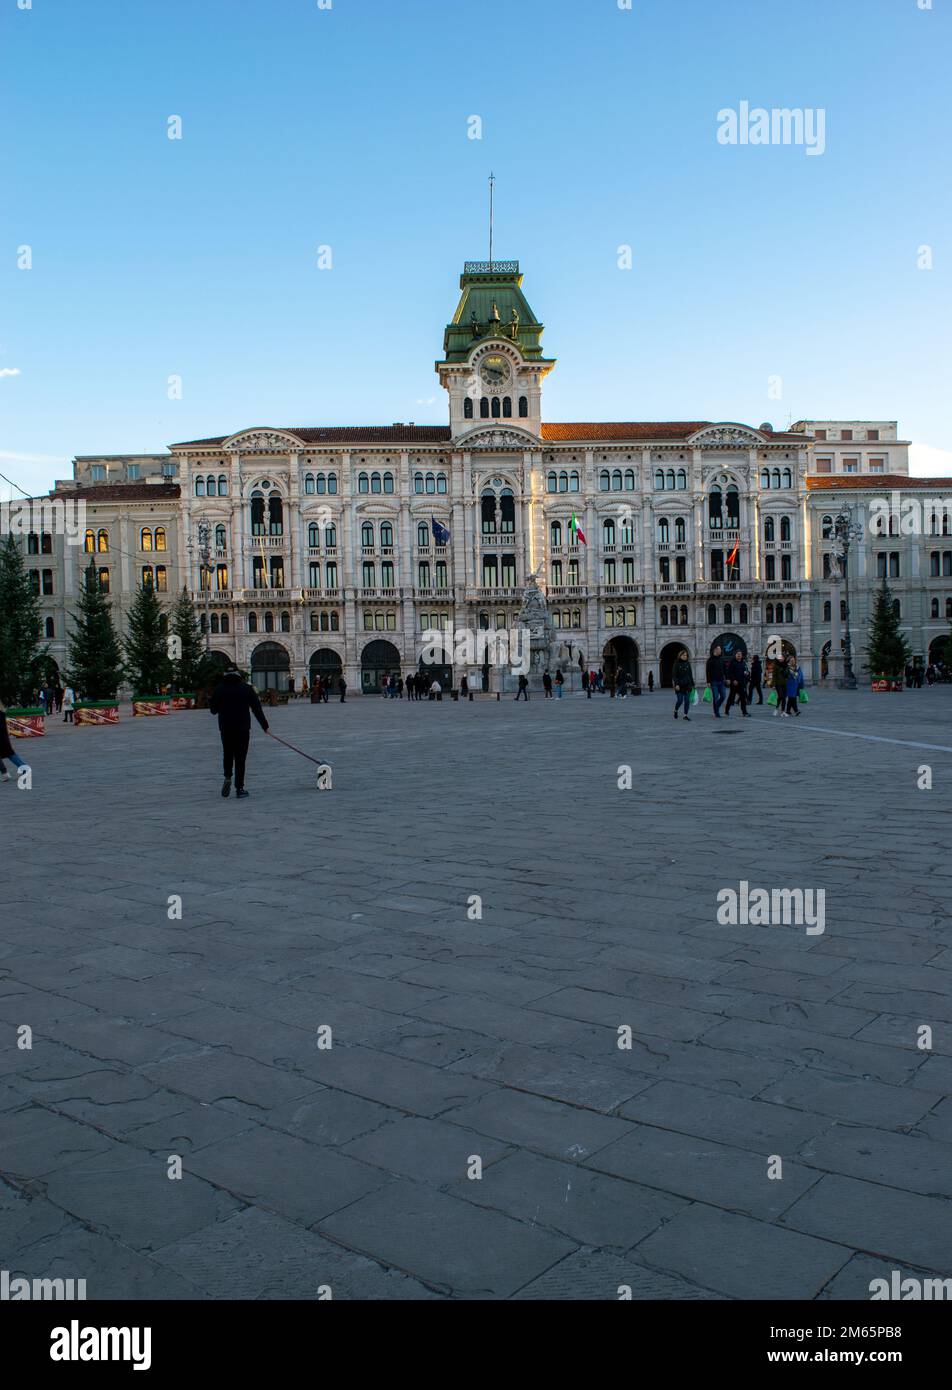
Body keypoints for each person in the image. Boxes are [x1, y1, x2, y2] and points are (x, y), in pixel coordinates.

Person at [209, 667, 269, 799]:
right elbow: (256, 709)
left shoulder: (219, 689)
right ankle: (239, 788)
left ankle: (228, 776)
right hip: (242, 728)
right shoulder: (246, 688)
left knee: (228, 753)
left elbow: (213, 710)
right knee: (241, 758)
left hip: (225, 727)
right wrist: (265, 725)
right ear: (238, 674)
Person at [0, 702, 32, 783]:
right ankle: (23, 769)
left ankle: (5, 773)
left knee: (10, 753)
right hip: (3, 736)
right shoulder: (1, 711)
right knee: (10, 753)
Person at [724, 650, 749, 718]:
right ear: (735, 655)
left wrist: (747, 673)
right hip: (734, 684)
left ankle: (744, 712)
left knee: (743, 698)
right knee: (731, 697)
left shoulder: (743, 663)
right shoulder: (732, 662)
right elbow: (730, 672)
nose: (739, 655)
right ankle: (726, 710)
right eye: (738, 654)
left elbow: (746, 671)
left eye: (740, 654)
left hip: (741, 683)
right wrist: (733, 680)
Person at [706, 645, 727, 718]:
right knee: (715, 697)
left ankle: (716, 706)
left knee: (723, 696)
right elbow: (707, 671)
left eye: (720, 649)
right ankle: (716, 712)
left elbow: (725, 670)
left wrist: (727, 678)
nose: (720, 651)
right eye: (719, 649)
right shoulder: (710, 660)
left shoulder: (721, 659)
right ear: (715, 650)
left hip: (721, 681)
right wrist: (708, 681)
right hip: (713, 681)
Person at [672, 649, 694, 720]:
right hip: (679, 685)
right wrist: (676, 684)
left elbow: (690, 674)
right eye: (684, 655)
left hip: (688, 685)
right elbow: (674, 675)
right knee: (680, 700)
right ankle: (676, 710)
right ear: (680, 656)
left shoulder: (688, 663)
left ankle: (685, 715)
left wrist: (693, 684)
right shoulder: (676, 664)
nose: (685, 656)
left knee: (687, 700)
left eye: (686, 655)